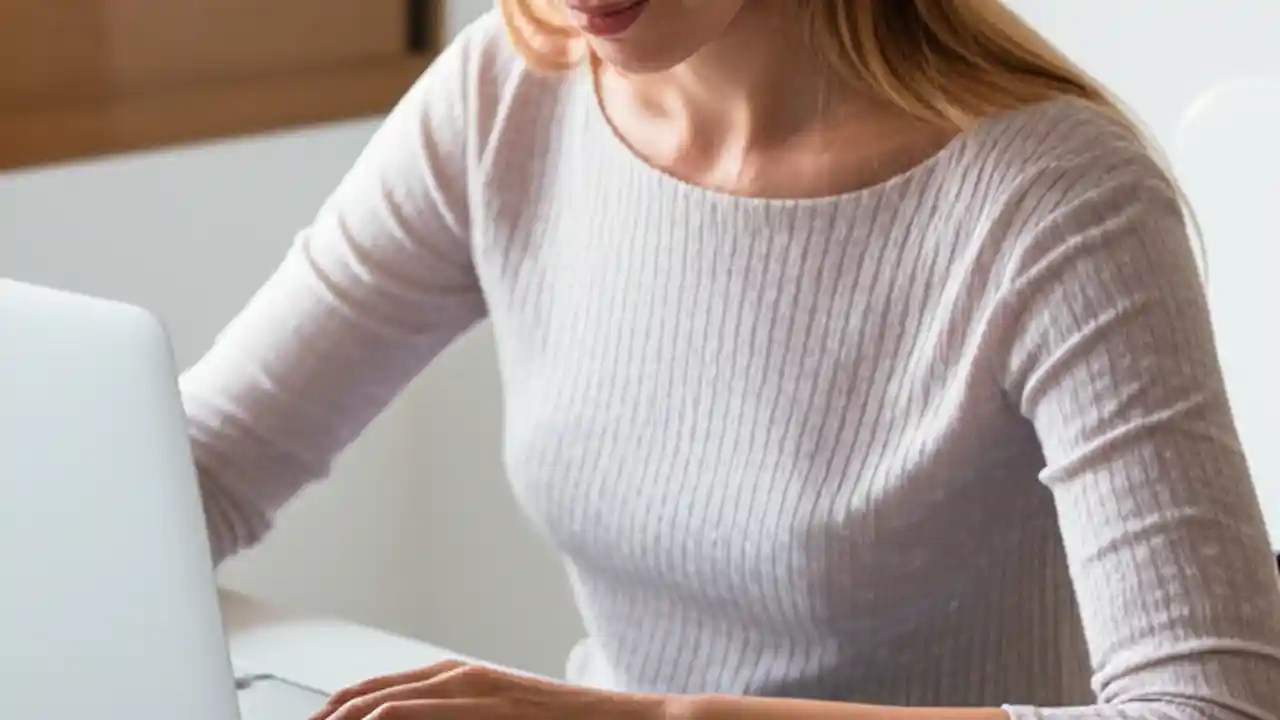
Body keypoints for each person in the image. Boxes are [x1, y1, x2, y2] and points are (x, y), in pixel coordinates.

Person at [180, 1, 1280, 719]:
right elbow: (200, 473)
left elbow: (1210, 708)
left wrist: (661, 719)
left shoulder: (1053, 198)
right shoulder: (504, 102)